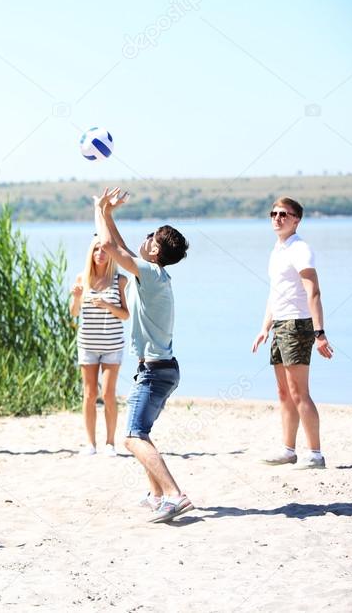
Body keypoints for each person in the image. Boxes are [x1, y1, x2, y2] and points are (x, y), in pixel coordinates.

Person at [94, 187, 193, 523]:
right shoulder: (153, 273)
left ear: (153, 249)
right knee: (142, 433)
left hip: (155, 371)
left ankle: (174, 495)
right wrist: (108, 214)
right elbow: (119, 248)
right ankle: (156, 495)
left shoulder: (149, 273)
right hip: (162, 369)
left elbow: (109, 247)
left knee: (133, 437)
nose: (145, 238)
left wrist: (97, 208)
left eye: (150, 236)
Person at [252, 197, 334, 470]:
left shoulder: (300, 249)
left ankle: (316, 454)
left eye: (284, 214)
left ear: (297, 219)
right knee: (284, 392)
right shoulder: (278, 249)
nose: (277, 218)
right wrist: (264, 327)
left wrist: (319, 332)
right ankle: (288, 450)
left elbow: (314, 291)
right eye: (274, 213)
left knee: (300, 392)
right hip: (280, 326)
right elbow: (275, 293)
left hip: (298, 325)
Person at [70, 236, 129, 456]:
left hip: (112, 345)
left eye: (104, 250)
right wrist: (76, 298)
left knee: (109, 394)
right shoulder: (82, 278)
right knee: (89, 393)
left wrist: (107, 305)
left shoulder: (119, 280)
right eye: (96, 250)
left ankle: (110, 443)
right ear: (91, 253)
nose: (100, 254)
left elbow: (125, 315)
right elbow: (74, 313)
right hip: (87, 345)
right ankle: (90, 444)